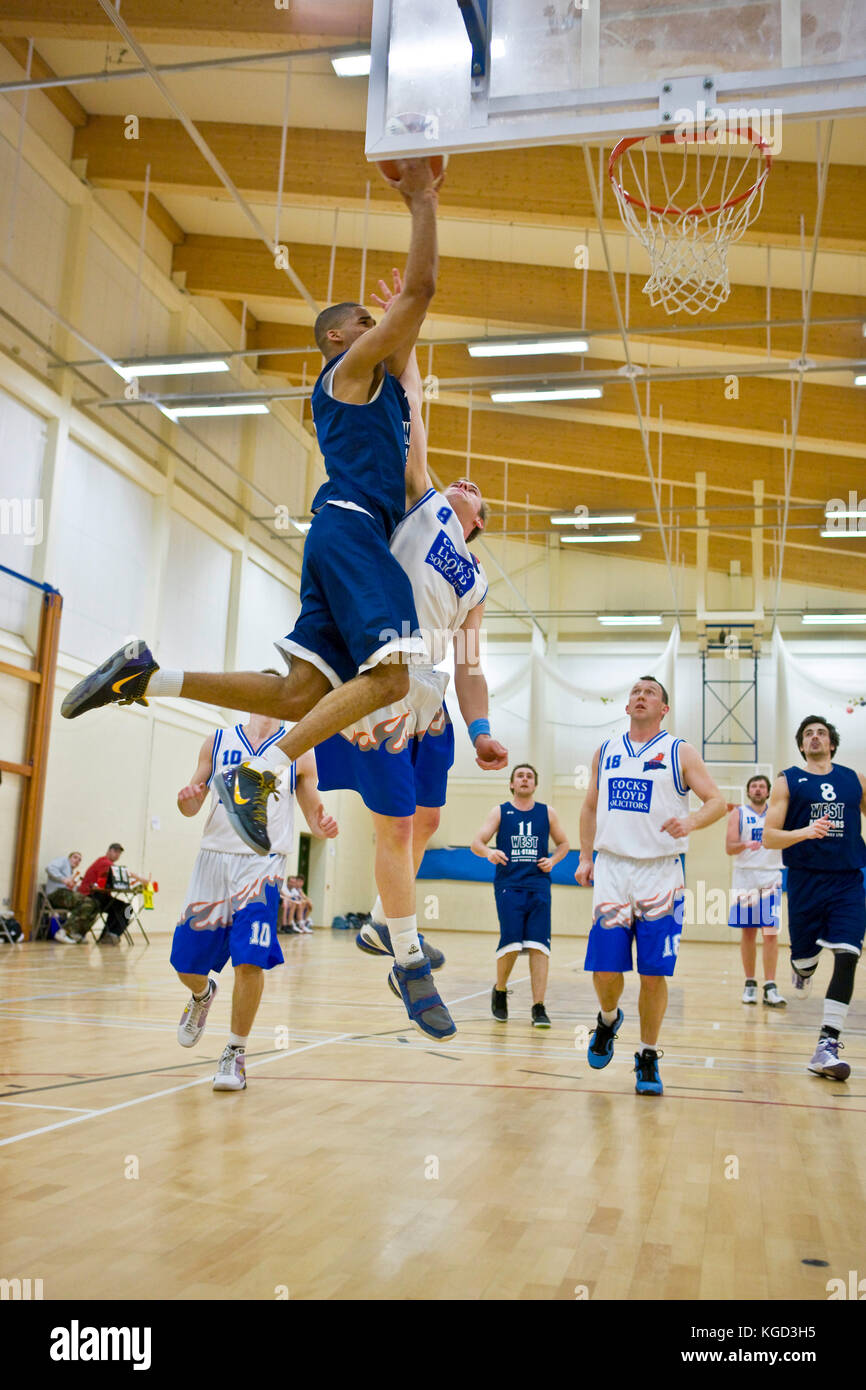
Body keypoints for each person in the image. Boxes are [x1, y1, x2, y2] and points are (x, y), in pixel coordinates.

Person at [59, 158, 443, 834]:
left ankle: (149, 677)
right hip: (352, 531)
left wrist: (407, 336)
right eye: (363, 318)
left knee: (298, 694)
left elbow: (411, 356)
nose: (376, 323)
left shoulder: (380, 395)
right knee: (390, 681)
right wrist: (422, 201)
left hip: (338, 534)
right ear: (336, 338)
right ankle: (262, 773)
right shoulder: (346, 371)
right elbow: (420, 294)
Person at [313, 273, 508, 1038]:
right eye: (461, 480)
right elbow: (413, 410)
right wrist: (406, 324)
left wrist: (484, 726)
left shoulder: (477, 577)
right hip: (386, 675)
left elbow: (469, 664)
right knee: (394, 830)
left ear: (480, 524)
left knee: (428, 818)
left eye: (476, 493)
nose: (463, 481)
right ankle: (403, 950)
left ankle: (380, 924)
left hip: (435, 696)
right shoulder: (420, 499)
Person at [171, 708, 337, 1091]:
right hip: (212, 860)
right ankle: (201, 993)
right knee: (185, 964)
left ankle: (235, 1051)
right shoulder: (216, 741)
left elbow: (314, 815)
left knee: (249, 959)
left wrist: (323, 826)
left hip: (264, 863)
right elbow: (190, 806)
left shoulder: (300, 748)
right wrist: (187, 799)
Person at [575, 677, 726, 1095]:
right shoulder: (605, 751)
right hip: (612, 869)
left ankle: (647, 1055)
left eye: (651, 693)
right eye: (635, 692)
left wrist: (691, 820)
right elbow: (589, 806)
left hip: (661, 873)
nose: (641, 696)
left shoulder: (679, 751)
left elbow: (716, 801)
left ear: (663, 709)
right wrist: (586, 856)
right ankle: (607, 1021)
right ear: (627, 707)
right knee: (605, 969)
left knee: (654, 973)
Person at [762, 714, 866, 1082]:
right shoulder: (788, 780)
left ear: (832, 743)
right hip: (806, 882)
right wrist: (805, 831)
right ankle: (802, 969)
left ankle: (827, 1043)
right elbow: (769, 837)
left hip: (848, 881)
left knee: (849, 953)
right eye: (809, 734)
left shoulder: (854, 780)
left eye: (822, 733)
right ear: (802, 745)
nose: (816, 737)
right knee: (805, 960)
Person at [470, 764, 569, 1027]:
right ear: (512, 784)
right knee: (512, 942)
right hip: (509, 885)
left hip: (538, 885)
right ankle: (500, 990)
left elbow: (564, 844)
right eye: (520, 776)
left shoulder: (547, 812)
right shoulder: (500, 812)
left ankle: (538, 1007)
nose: (525, 779)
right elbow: (476, 843)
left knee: (539, 946)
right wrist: (489, 853)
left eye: (529, 777)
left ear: (535, 785)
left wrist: (554, 860)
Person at [726, 774, 785, 1006]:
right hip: (745, 876)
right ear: (748, 791)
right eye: (754, 786)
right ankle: (750, 983)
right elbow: (729, 848)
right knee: (748, 932)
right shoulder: (738, 814)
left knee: (770, 932)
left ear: (769, 791)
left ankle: (770, 986)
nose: (758, 790)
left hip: (771, 875)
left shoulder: (777, 814)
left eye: (762, 786)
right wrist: (744, 845)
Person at [63, 843, 141, 944]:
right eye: (115, 851)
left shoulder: (109, 865)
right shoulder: (104, 862)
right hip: (90, 895)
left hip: (101, 896)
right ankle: (108, 935)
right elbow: (119, 875)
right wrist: (140, 879)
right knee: (121, 907)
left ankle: (111, 934)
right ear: (109, 851)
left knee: (125, 908)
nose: (117, 854)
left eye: (119, 853)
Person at [43, 850, 82, 943]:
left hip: (63, 895)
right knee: (84, 903)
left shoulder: (70, 872)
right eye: (75, 857)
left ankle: (71, 932)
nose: (77, 860)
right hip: (55, 895)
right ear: (69, 858)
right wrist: (63, 879)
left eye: (79, 860)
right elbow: (49, 868)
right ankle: (65, 932)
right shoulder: (63, 861)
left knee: (87, 903)